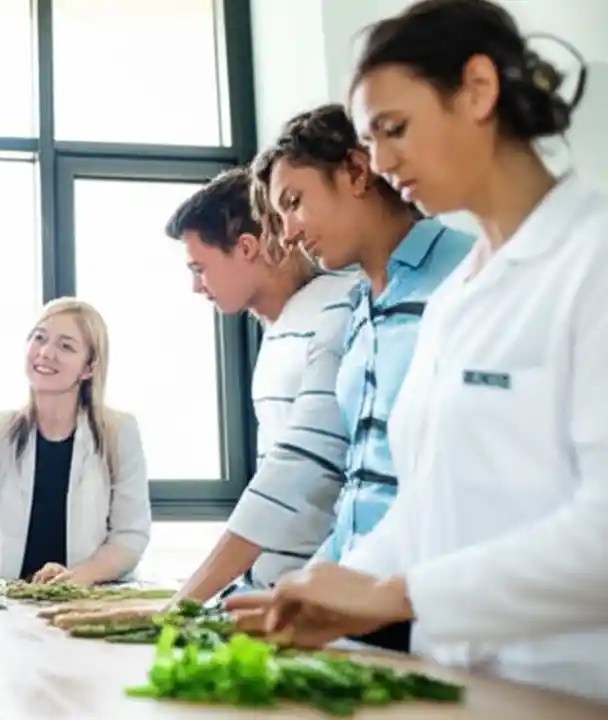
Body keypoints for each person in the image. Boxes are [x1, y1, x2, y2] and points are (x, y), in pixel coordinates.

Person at [229, 0, 608, 701]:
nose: (377, 161)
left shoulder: (593, 262)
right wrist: (336, 585)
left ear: (477, 90)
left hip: (572, 690)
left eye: (393, 129)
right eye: (371, 141)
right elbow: (429, 504)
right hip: (451, 682)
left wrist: (398, 593)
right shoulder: (459, 296)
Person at [253, 103, 474, 569]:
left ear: (356, 171)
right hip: (361, 589)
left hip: (435, 595)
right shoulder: (356, 309)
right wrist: (309, 587)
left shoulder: (469, 276)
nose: (288, 233)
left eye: (294, 202)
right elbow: (363, 485)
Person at [164, 168, 354, 602]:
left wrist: (185, 603)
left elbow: (297, 471)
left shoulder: (338, 307)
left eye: (200, 268)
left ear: (246, 247)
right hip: (277, 590)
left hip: (318, 597)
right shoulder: (284, 326)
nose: (196, 286)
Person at [0, 298, 150, 589]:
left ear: (88, 367)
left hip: (92, 598)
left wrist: (75, 579)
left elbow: (130, 536)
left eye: (66, 346)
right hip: (12, 599)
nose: (46, 353)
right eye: (39, 338)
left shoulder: (119, 432)